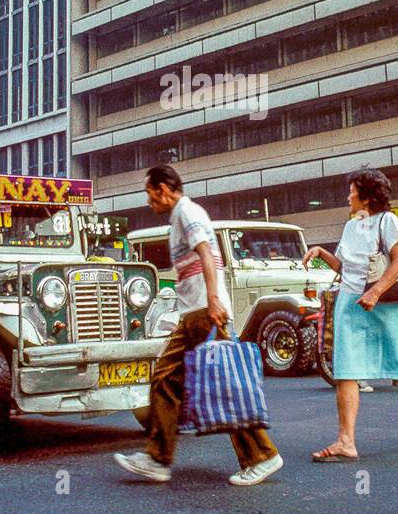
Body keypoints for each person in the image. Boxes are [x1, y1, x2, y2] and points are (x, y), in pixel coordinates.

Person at [113, 165, 282, 486]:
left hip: (206, 313)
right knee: (171, 380)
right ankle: (158, 458)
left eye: (150, 195)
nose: (149, 202)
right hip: (194, 314)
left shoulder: (187, 213)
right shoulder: (180, 216)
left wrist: (215, 300)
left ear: (164, 189)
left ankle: (262, 455)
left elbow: (206, 253)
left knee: (223, 385)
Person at [302, 169, 398, 462]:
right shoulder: (351, 226)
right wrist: (320, 252)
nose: (348, 196)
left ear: (366, 196)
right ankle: (346, 441)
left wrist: (376, 292)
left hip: (384, 302)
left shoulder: (388, 221)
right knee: (346, 371)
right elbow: (343, 267)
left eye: (352, 191)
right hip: (350, 303)